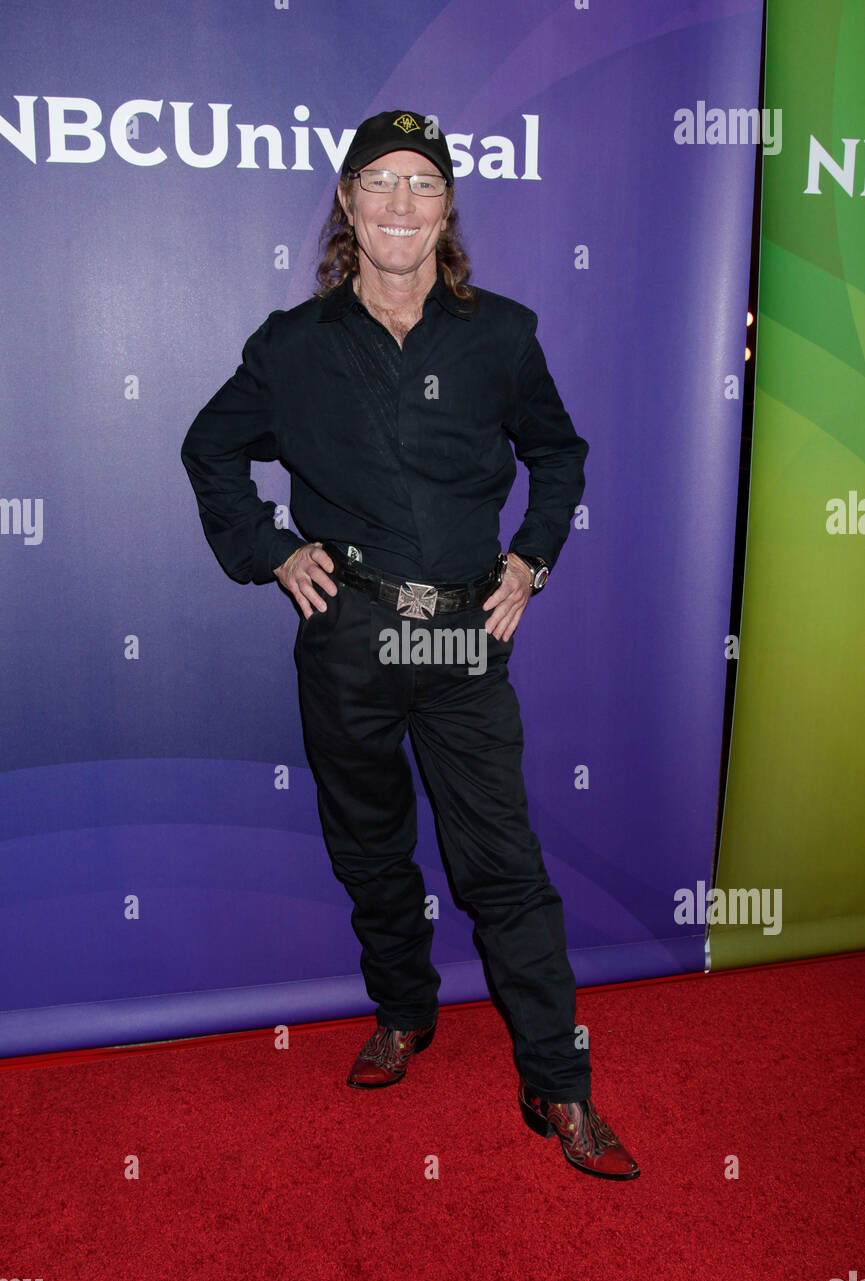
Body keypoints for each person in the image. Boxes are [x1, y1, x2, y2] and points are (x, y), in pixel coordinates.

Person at [181, 109, 639, 1180]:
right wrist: (270, 550)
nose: (398, 202)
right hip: (348, 635)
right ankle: (403, 1008)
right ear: (347, 203)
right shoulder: (291, 346)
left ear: (445, 209)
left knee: (505, 867)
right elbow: (208, 447)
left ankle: (558, 1084)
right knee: (369, 845)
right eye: (377, 182)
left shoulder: (501, 335)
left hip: (464, 639)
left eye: (420, 184)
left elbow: (559, 456)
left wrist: (530, 560)